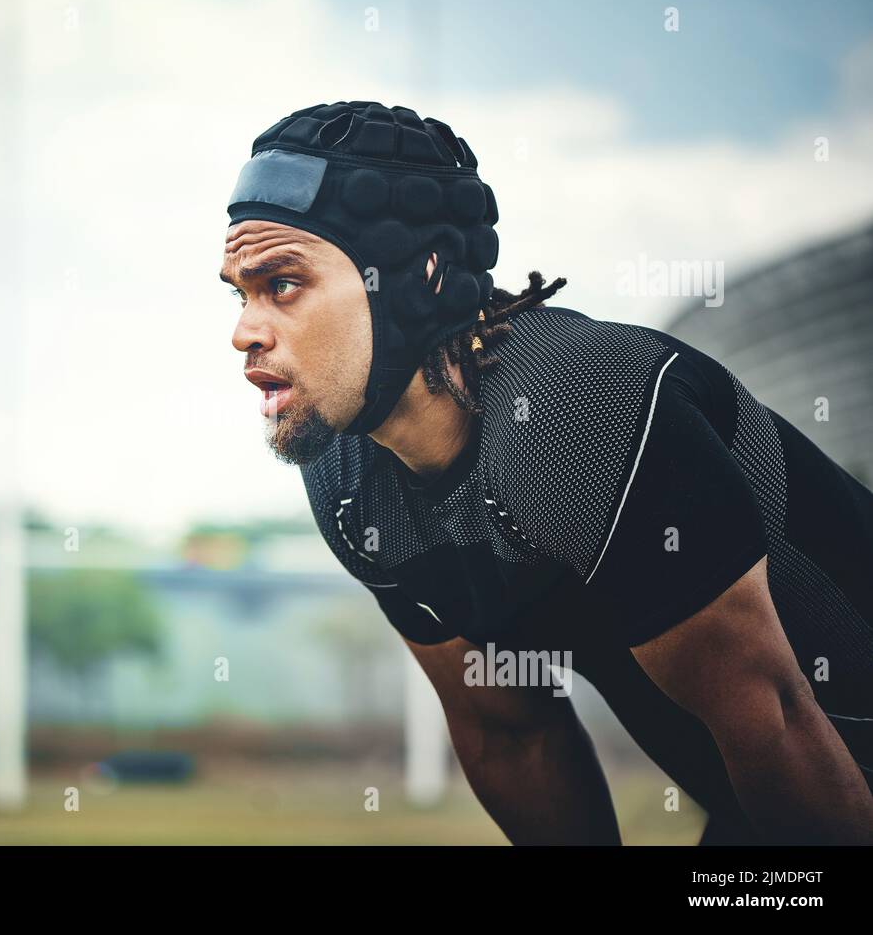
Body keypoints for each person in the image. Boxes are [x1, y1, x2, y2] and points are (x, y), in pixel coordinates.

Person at [219, 100, 873, 844]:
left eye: (282, 285)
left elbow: (778, 724)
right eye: (239, 292)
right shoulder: (346, 475)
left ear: (422, 275)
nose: (244, 329)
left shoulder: (575, 409)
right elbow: (511, 733)